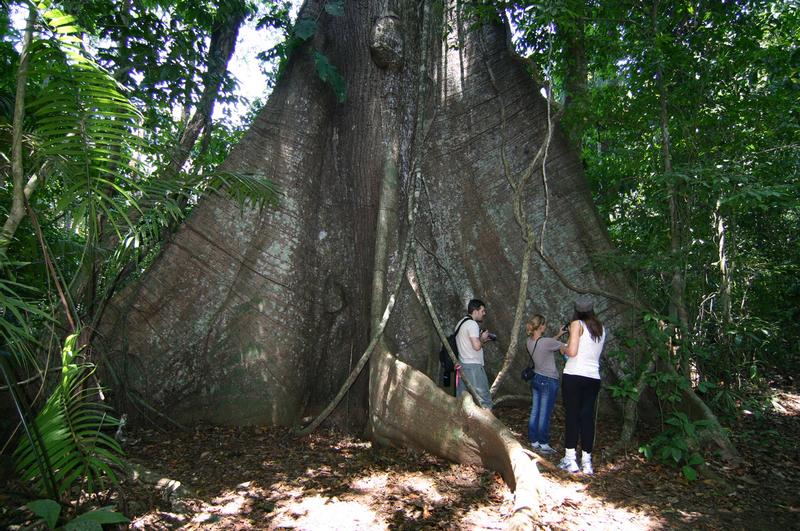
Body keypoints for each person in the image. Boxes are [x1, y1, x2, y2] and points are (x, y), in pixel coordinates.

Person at [558, 295, 606, 475]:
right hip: (593, 377)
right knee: (587, 417)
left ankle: (570, 459)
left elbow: (572, 351)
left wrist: (562, 347)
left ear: (577, 310)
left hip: (574, 375)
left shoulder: (576, 324)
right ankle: (587, 461)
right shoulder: (601, 328)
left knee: (572, 415)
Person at [525, 314, 567, 454]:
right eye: (545, 324)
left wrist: (559, 334)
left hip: (536, 378)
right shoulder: (546, 342)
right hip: (548, 381)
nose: (546, 326)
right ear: (541, 326)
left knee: (535, 411)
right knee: (545, 413)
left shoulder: (529, 341)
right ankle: (544, 444)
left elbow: (547, 343)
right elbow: (566, 348)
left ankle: (534, 441)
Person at [455, 299, 494, 409]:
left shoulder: (460, 323)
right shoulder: (472, 324)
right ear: (475, 311)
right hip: (473, 367)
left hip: (463, 365)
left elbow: (468, 343)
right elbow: (476, 346)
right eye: (482, 311)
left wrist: (480, 339)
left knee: (462, 399)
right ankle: (488, 419)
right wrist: (482, 338)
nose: (484, 313)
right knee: (484, 399)